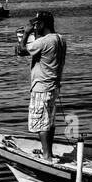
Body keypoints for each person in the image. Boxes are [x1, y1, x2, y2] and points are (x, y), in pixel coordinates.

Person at [15, 10, 67, 162]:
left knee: (40, 123)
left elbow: (21, 50)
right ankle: (48, 153)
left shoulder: (44, 42)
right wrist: (36, 34)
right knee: (49, 122)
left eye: (37, 24)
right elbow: (41, 53)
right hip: (53, 86)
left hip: (41, 88)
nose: (34, 26)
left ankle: (47, 156)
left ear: (42, 24)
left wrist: (25, 34)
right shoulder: (60, 39)